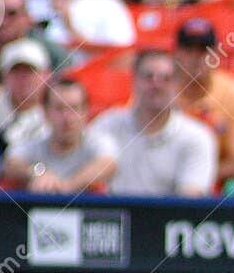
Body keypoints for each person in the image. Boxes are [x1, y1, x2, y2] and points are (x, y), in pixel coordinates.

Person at [91, 50, 219, 197]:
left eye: (166, 79)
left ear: (177, 85)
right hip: (112, 216)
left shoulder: (197, 136)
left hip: (171, 217)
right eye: (148, 77)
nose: (156, 85)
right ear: (134, 80)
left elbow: (191, 199)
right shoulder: (107, 125)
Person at [174, 17, 234, 183]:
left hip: (217, 194)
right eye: (189, 50)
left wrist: (194, 176)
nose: (196, 57)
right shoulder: (159, 91)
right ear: (177, 54)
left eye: (203, 50)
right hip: (162, 188)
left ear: (215, 54)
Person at [0, 77, 117, 192]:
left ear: (85, 112)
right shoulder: (35, 140)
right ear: (45, 112)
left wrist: (67, 186)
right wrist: (37, 172)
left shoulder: (96, 141)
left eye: (74, 108)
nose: (67, 118)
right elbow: (10, 163)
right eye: (59, 108)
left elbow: (108, 164)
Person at [0, 39, 50, 176]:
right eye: (16, 72)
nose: (23, 79)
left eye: (30, 71)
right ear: (4, 76)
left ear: (45, 75)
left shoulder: (57, 113)